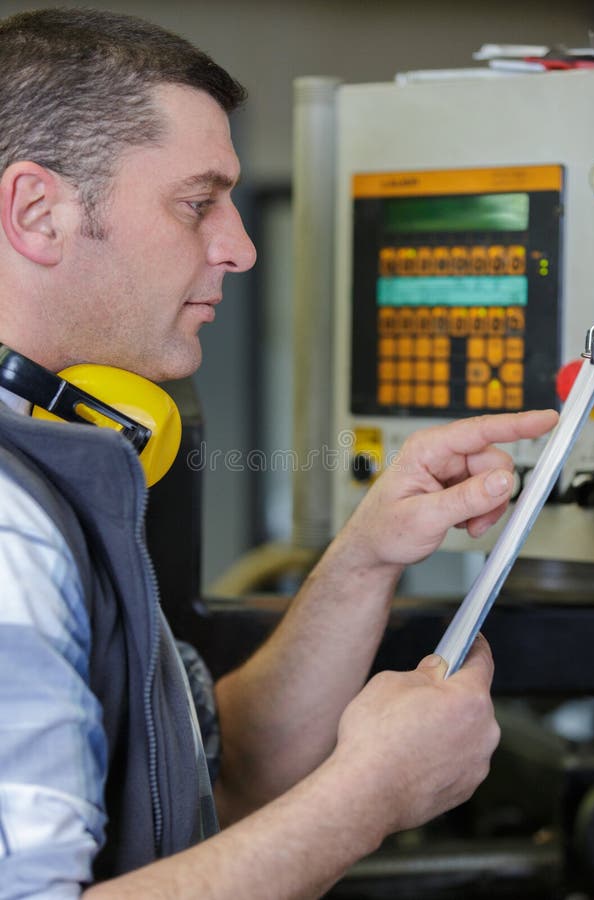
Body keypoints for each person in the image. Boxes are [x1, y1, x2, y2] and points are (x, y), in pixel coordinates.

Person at [0, 8, 558, 899]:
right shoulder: (10, 531)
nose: (242, 247)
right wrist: (368, 796)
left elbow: (219, 772)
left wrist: (366, 554)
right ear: (38, 211)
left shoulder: (57, 463)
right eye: (196, 203)